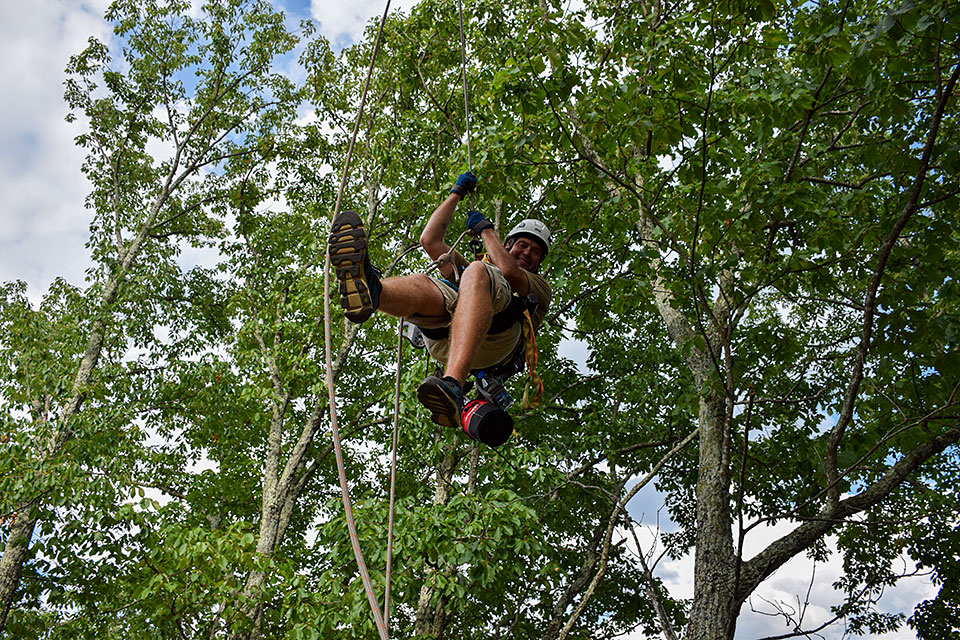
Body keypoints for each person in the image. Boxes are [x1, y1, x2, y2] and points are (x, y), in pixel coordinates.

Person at [328, 171, 552, 429]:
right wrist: (456, 194)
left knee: (477, 271)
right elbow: (430, 241)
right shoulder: (480, 276)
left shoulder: (539, 286)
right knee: (427, 284)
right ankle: (375, 292)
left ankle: (453, 384)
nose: (528, 253)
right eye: (523, 245)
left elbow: (509, 272)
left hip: (497, 345)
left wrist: (486, 231)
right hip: (447, 342)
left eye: (535, 251)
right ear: (509, 245)